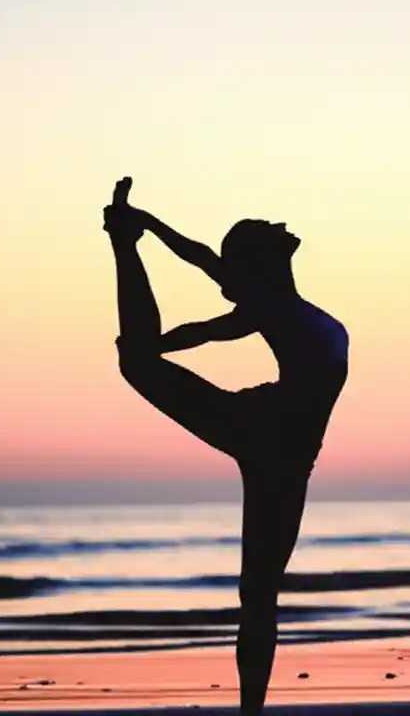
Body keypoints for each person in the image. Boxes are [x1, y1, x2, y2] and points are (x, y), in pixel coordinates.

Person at [102, 177, 348, 714]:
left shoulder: (278, 309)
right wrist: (148, 229)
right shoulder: (283, 310)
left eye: (232, 268)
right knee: (258, 597)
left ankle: (251, 711)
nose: (222, 278)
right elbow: (205, 293)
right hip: (265, 432)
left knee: (258, 596)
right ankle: (124, 249)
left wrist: (148, 228)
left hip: (280, 454)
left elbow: (207, 295)